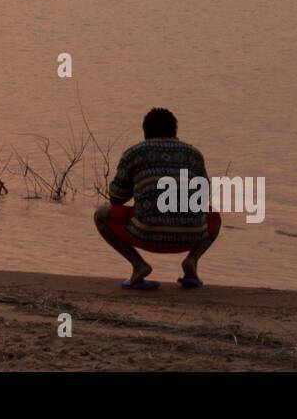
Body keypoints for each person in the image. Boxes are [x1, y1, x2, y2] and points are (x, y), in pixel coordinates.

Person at [93, 107, 221, 290]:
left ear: (145, 132)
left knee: (101, 214)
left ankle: (138, 265)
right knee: (215, 216)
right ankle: (192, 261)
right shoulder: (194, 155)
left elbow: (116, 198)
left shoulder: (134, 153)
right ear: (175, 132)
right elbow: (203, 198)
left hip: (146, 235)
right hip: (191, 236)